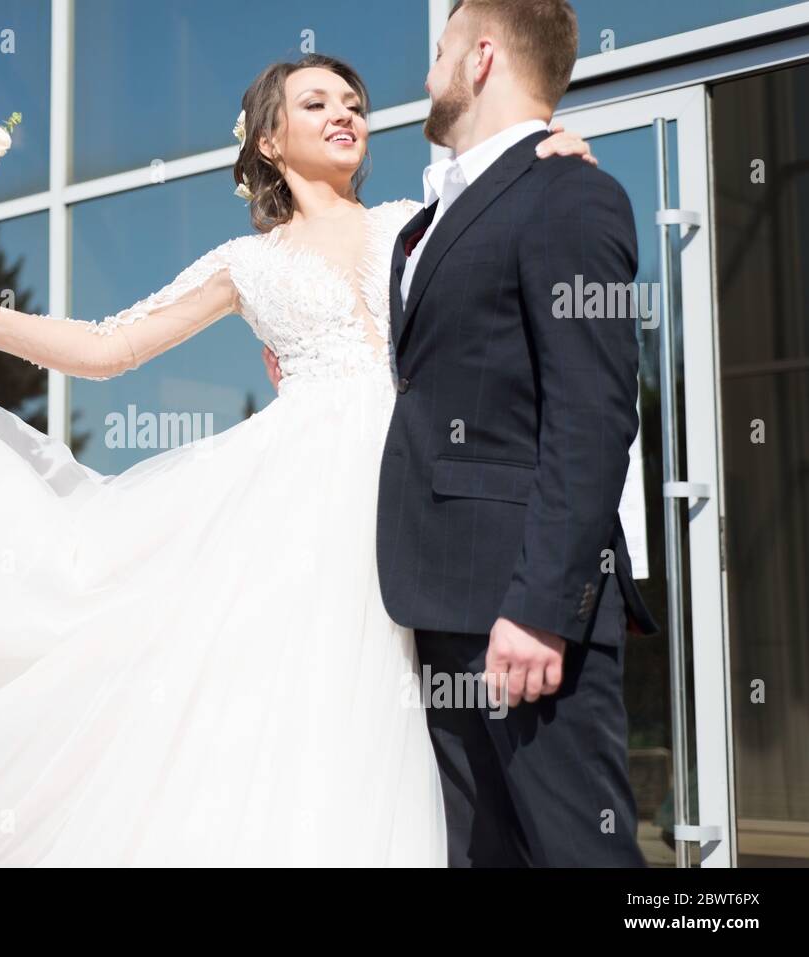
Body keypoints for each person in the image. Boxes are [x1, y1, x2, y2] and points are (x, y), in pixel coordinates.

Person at [0, 50, 595, 866]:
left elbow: (509, 195)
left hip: (410, 488)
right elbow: (111, 347)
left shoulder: (415, 220)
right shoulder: (245, 263)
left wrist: (561, 149)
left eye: (351, 103)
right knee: (305, 714)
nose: (344, 114)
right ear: (270, 140)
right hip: (299, 507)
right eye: (316, 103)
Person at [262, 0, 661, 867]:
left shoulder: (571, 193)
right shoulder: (424, 222)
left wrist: (543, 608)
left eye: (440, 51)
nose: (426, 72)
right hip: (440, 607)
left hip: (522, 616)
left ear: (482, 58)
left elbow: (594, 414)